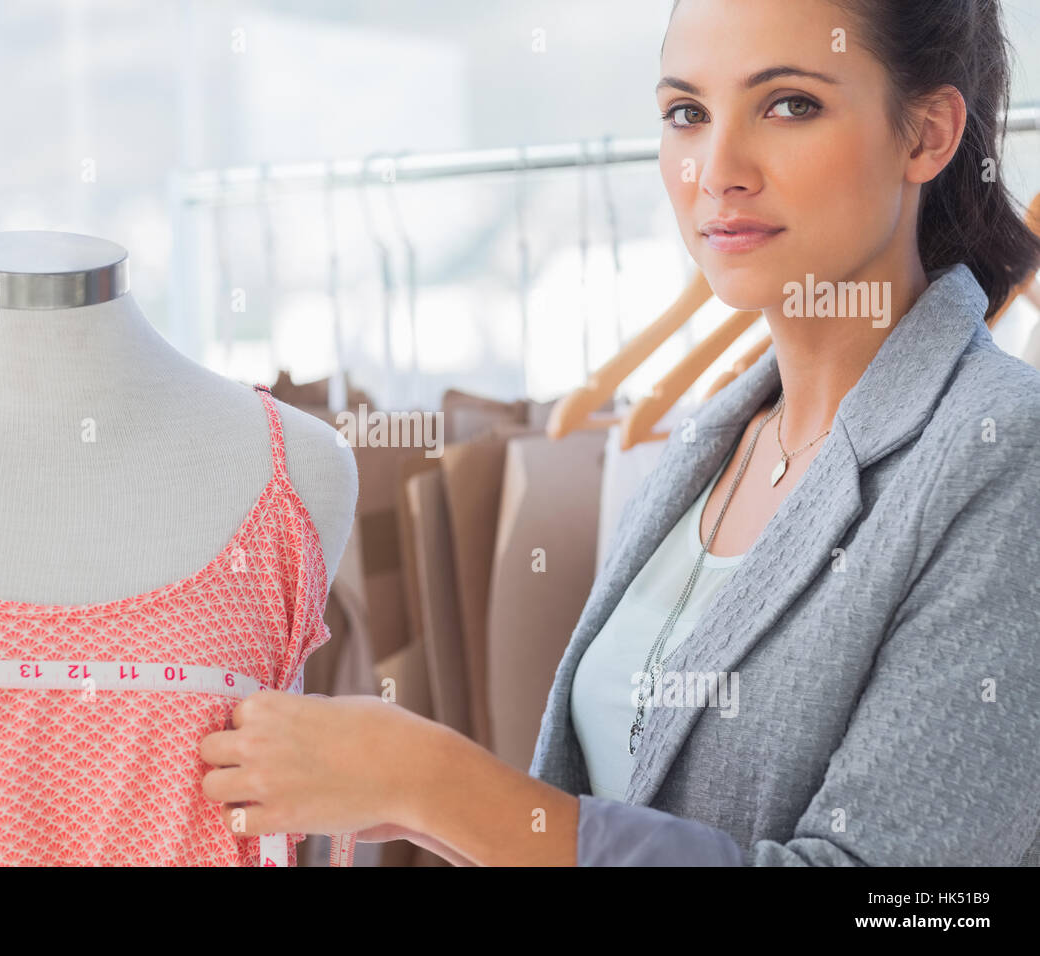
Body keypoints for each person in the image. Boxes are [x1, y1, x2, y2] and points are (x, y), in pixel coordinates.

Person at [199, 0, 1040, 866]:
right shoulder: (708, 449)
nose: (718, 170)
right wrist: (425, 808)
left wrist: (437, 782)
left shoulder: (1004, 449)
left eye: (789, 104)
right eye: (687, 113)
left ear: (928, 135)